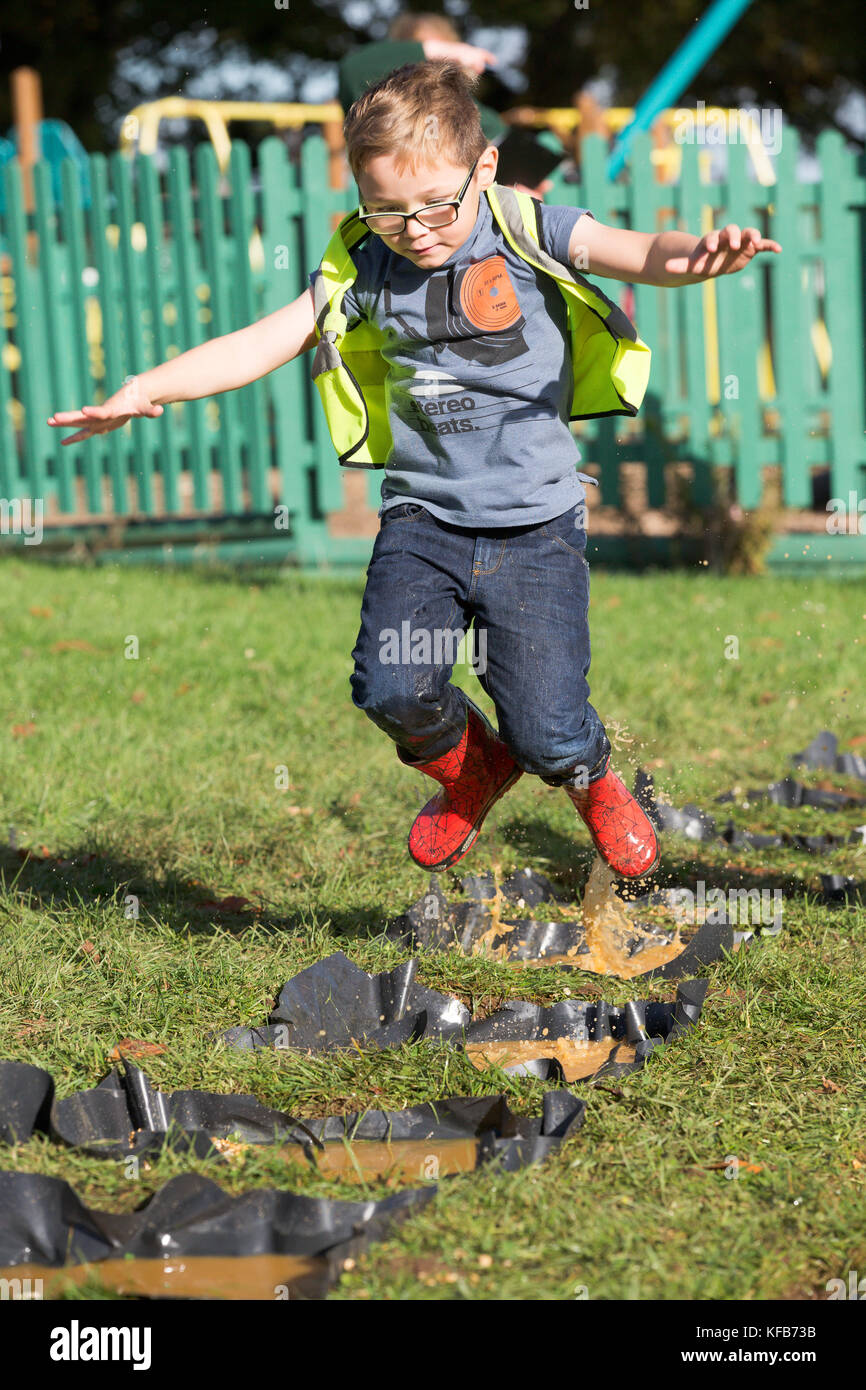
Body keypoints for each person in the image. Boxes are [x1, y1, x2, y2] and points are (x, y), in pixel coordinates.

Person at [48, 61, 781, 880]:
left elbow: (639, 250)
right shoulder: (364, 263)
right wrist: (146, 388)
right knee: (393, 689)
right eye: (388, 209)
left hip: (535, 529)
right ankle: (474, 769)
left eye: (438, 203)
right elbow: (265, 339)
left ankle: (591, 777)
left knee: (547, 728)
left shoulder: (527, 227)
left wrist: (704, 254)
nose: (418, 228)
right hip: (423, 524)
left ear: (485, 168)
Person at [338, 10, 562, 199]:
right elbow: (354, 69)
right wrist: (446, 50)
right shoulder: (379, 100)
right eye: (428, 53)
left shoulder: (472, 112)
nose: (435, 67)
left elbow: (497, 165)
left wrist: (518, 187)